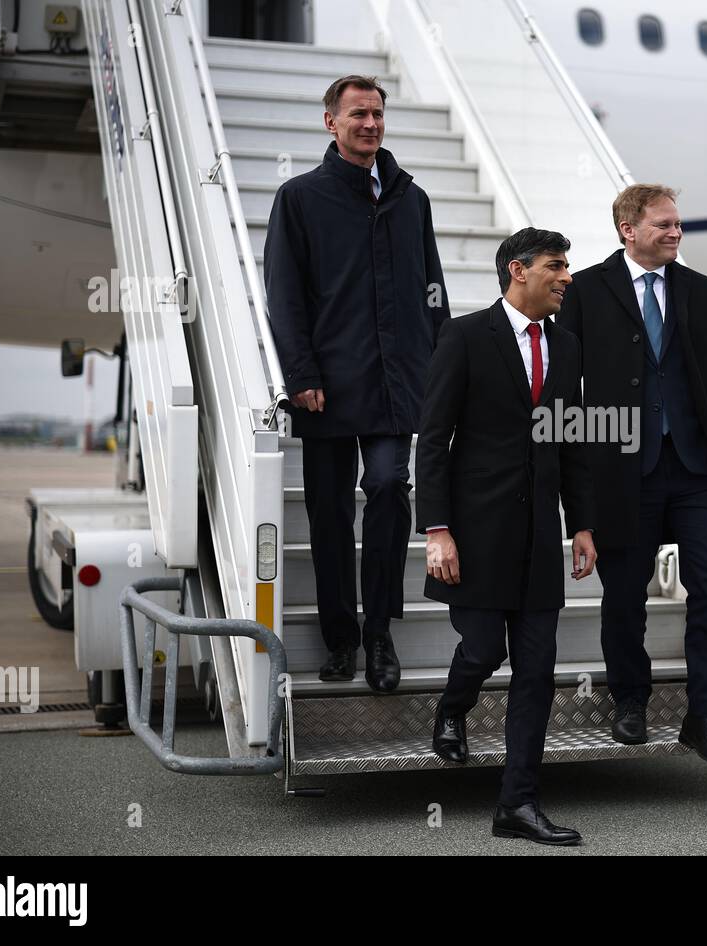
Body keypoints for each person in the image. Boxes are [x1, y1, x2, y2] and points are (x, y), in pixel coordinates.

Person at [557, 184, 707, 766]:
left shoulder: (698, 290)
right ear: (629, 229)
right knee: (624, 596)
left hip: (695, 466)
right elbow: (567, 384)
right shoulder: (587, 290)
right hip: (622, 472)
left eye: (678, 224)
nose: (676, 233)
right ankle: (630, 703)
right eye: (664, 225)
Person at [264, 75, 449, 691]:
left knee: (392, 487)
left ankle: (379, 635)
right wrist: (301, 374)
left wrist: (442, 366)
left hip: (399, 385)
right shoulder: (300, 199)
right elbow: (284, 298)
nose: (369, 124)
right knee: (329, 514)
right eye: (356, 115)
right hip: (327, 387)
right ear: (330, 122)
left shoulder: (410, 199)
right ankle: (340, 636)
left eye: (376, 114)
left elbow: (433, 292)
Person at [415, 227, 597, 845]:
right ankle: (453, 707)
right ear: (519, 271)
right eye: (556, 266)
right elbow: (433, 440)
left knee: (537, 671)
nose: (566, 277)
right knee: (484, 648)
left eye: (567, 266)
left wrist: (583, 524)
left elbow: (568, 442)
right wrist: (437, 531)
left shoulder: (566, 346)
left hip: (540, 535)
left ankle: (516, 804)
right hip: (477, 530)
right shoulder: (465, 337)